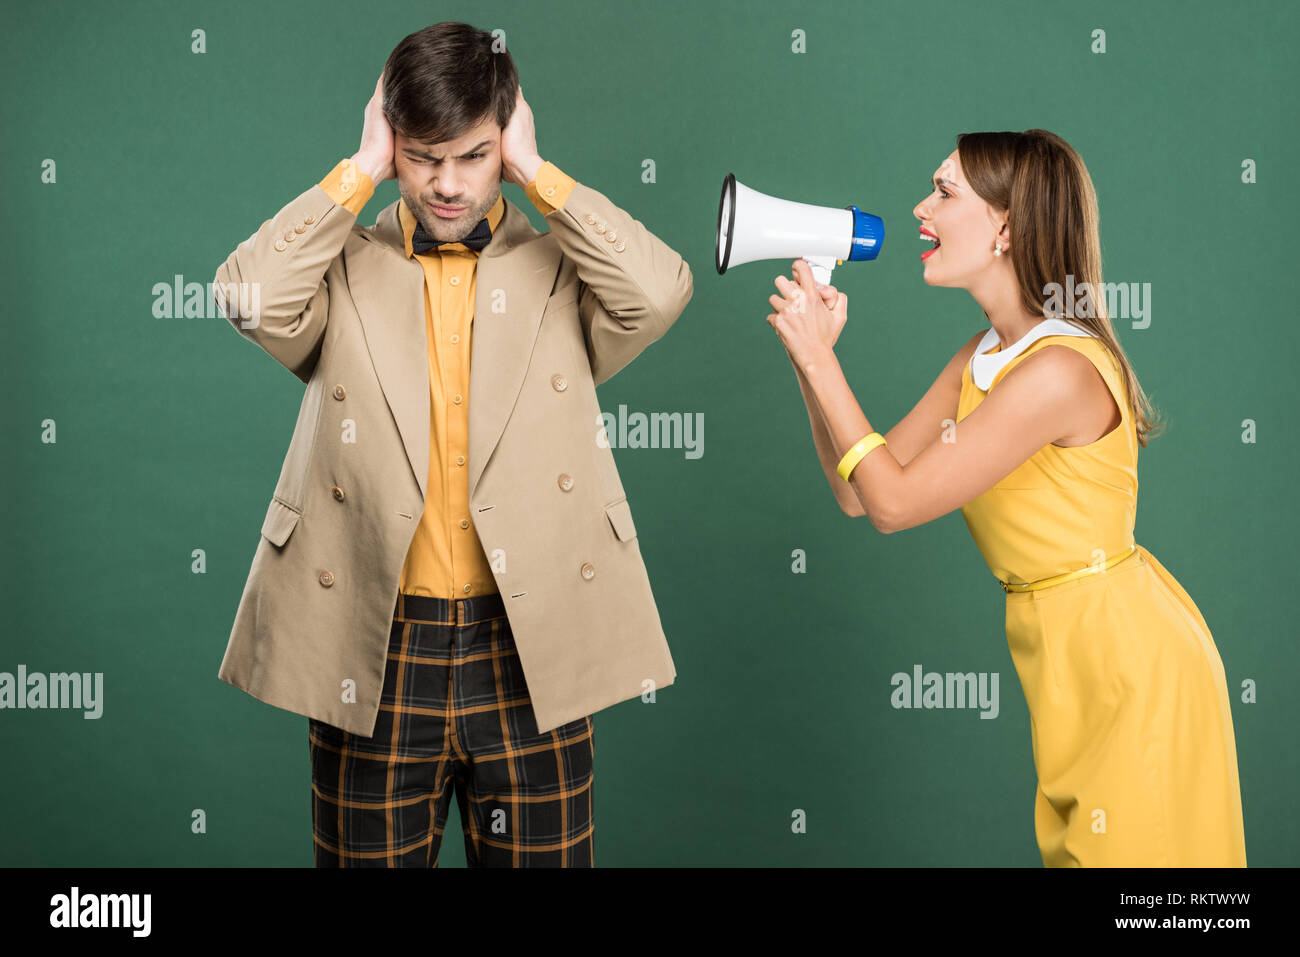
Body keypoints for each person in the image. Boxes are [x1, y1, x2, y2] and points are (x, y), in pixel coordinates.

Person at [213, 21, 692, 866]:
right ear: (392, 144)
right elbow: (249, 296)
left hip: (533, 646)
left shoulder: (558, 270)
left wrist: (538, 174)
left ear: (503, 141)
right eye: (421, 156)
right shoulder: (345, 268)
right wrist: (358, 171)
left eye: (472, 156)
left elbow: (658, 294)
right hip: (375, 647)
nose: (445, 185)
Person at [765, 129, 1247, 867]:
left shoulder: (1057, 371)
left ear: (1008, 225)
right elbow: (859, 491)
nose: (921, 207)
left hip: (1129, 668)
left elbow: (893, 504)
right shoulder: (982, 355)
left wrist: (822, 361)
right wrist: (811, 366)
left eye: (945, 191)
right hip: (1062, 666)